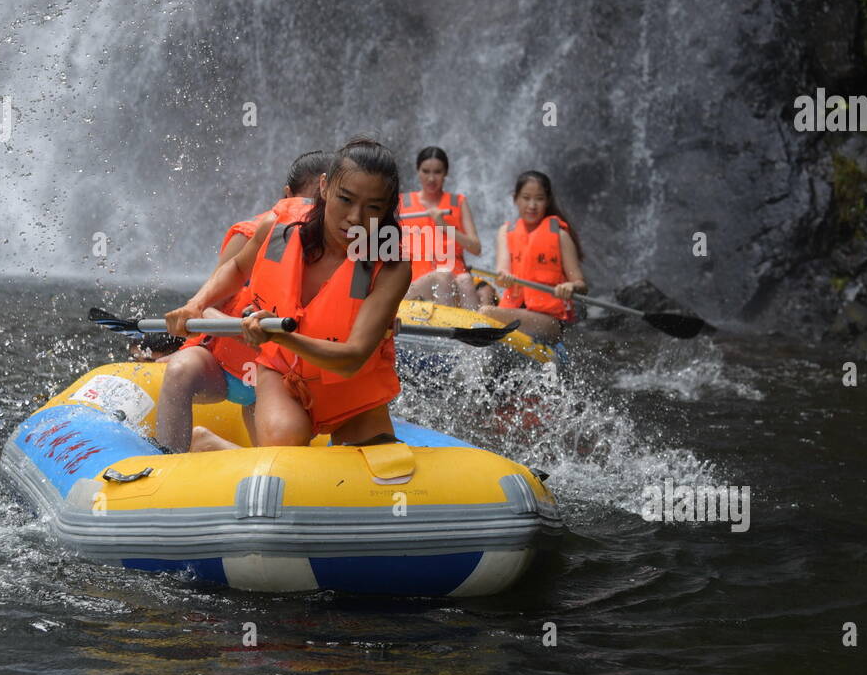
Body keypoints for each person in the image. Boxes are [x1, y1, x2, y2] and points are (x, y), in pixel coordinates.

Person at [160, 138, 410, 450]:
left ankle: (211, 446)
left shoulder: (391, 267)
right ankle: (221, 447)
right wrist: (196, 304)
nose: (356, 218)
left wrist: (277, 336)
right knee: (285, 445)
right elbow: (238, 267)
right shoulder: (280, 227)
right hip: (283, 373)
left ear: (388, 208)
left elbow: (352, 359)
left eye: (373, 207)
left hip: (352, 386)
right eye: (345, 199)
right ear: (324, 187)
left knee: (377, 482)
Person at [150, 151, 331, 451]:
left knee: (274, 464)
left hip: (275, 373)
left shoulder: (336, 244)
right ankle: (166, 464)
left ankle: (206, 443)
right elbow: (215, 298)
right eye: (308, 200)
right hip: (226, 363)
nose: (310, 210)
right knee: (181, 370)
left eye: (320, 202)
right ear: (287, 196)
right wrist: (191, 340)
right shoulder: (255, 233)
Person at [478, 170, 587, 342]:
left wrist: (571, 287)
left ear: (547, 201)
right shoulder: (505, 232)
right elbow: (501, 272)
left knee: (485, 312)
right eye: (526, 198)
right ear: (516, 199)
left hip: (548, 321)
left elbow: (581, 284)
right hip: (515, 312)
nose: (532, 205)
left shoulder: (560, 236)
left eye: (539, 199)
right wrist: (503, 277)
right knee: (483, 303)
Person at [399, 146, 482, 308]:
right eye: (425, 171)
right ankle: (447, 328)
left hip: (454, 282)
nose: (431, 178)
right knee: (442, 277)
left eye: (437, 172)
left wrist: (445, 226)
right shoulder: (401, 203)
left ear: (445, 174)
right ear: (418, 171)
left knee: (465, 279)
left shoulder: (458, 202)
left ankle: (473, 329)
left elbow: (476, 248)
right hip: (417, 284)